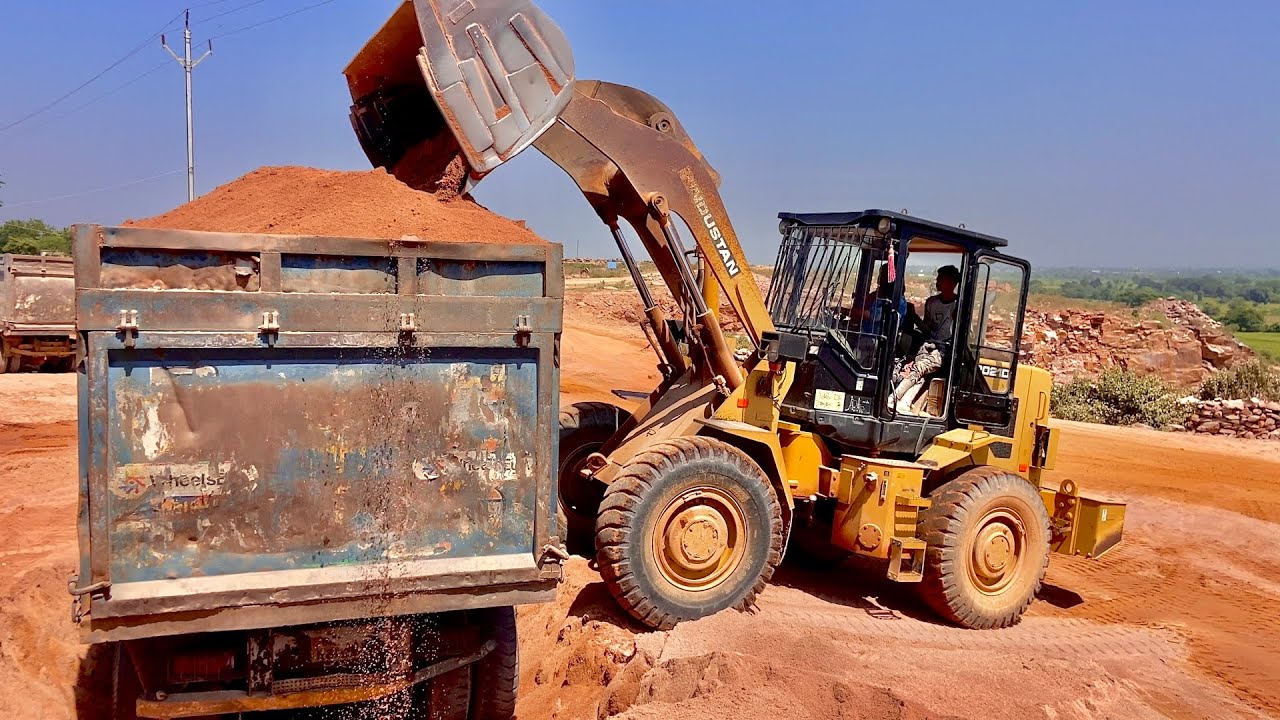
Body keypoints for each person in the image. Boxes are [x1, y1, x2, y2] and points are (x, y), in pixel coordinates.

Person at [892, 265, 961, 414]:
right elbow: (927, 329)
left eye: (941, 279)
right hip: (929, 346)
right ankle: (904, 404)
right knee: (919, 372)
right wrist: (914, 316)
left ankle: (893, 398)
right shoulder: (931, 303)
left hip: (945, 351)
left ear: (952, 282)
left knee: (920, 368)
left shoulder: (959, 306)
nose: (937, 281)